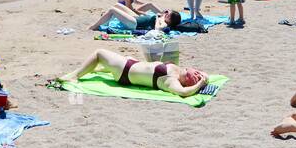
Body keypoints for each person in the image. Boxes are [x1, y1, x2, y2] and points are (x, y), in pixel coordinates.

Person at [56, 48, 209, 99]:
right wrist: (203, 78)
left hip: (124, 71)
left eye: (196, 77)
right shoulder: (180, 71)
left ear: (188, 80)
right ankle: (99, 68)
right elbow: (205, 75)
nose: (197, 73)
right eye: (197, 73)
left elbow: (183, 93)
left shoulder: (171, 80)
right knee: (123, 58)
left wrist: (200, 83)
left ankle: (75, 76)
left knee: (99, 53)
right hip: (131, 65)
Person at [82, 3, 183, 35]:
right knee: (117, 5)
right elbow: (150, 7)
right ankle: (104, 23)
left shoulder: (164, 23)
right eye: (167, 13)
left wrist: (158, 18)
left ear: (170, 21)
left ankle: (94, 26)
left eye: (168, 15)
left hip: (134, 23)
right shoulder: (163, 18)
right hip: (136, 18)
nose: (165, 14)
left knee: (112, 10)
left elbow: (157, 30)